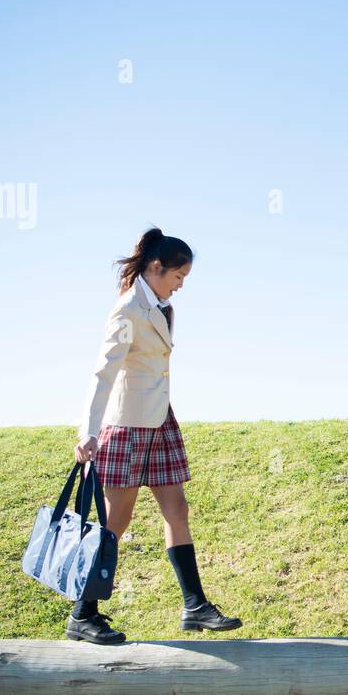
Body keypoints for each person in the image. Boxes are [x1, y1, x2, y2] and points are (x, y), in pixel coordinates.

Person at [70, 226, 242, 644]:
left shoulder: (163, 308)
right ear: (155, 267)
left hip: (160, 422)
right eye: (177, 277)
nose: (180, 286)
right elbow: (104, 372)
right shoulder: (128, 310)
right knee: (117, 521)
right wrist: (89, 432)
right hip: (126, 427)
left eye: (184, 279)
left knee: (177, 508)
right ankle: (83, 614)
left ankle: (195, 605)